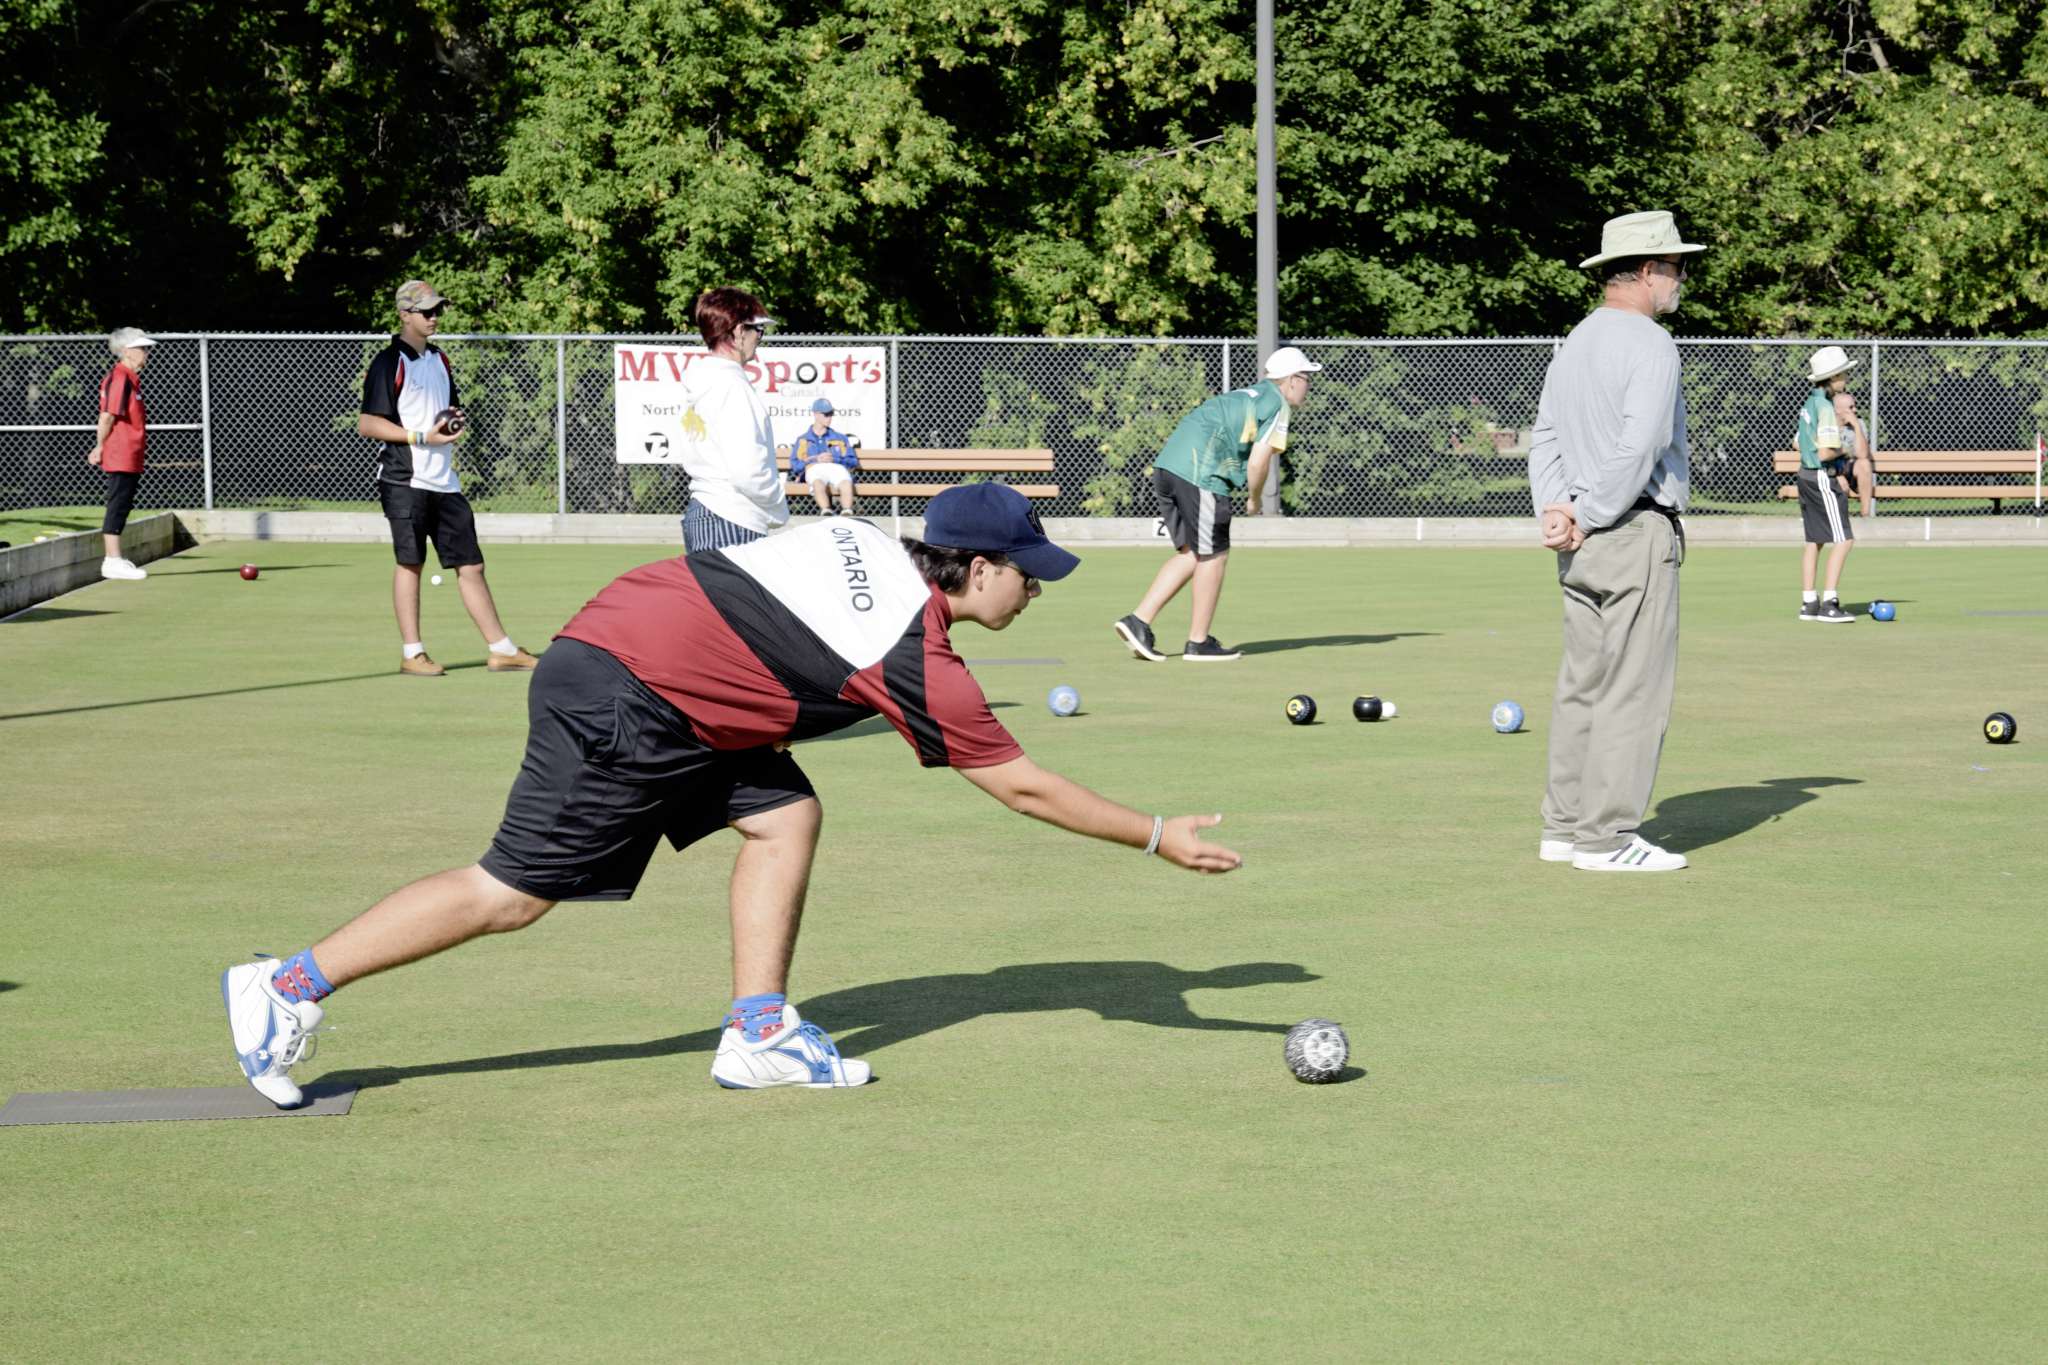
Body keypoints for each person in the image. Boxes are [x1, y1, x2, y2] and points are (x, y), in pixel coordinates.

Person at [220, 483, 1243, 1106]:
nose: (1034, 589)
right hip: (631, 692)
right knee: (511, 894)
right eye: (1028, 574)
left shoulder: (868, 545)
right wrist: (1155, 836)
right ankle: (287, 987)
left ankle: (757, 1033)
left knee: (785, 814)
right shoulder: (912, 650)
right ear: (974, 570)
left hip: (660, 670)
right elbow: (1021, 789)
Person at [1528, 210, 1704, 874]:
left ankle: (1564, 826)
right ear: (1649, 271)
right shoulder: (1652, 343)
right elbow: (1642, 445)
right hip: (1628, 529)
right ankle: (1605, 838)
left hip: (1580, 539)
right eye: (1676, 268)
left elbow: (1544, 435)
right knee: (1632, 686)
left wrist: (1557, 510)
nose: (1680, 280)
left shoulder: (1575, 339)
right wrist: (1592, 510)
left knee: (1583, 681)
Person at [358, 280, 538, 677]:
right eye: (426, 311)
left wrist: (453, 424)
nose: (434, 316)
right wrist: (421, 436)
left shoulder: (440, 360)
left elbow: (449, 410)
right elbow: (368, 423)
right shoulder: (390, 362)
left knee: (471, 565)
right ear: (405, 315)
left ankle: (502, 649)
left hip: (446, 482)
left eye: (437, 309)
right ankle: (412, 653)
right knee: (411, 564)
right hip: (406, 479)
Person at [1112, 345, 1322, 663]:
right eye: (1307, 378)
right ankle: (1198, 642)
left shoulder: (1250, 393)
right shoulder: (1278, 404)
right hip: (1202, 473)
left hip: (1168, 466)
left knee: (1193, 553)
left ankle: (1137, 621)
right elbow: (1258, 462)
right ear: (1291, 379)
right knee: (1215, 555)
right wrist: (1255, 499)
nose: (1309, 385)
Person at [679, 287, 789, 551]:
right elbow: (747, 471)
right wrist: (778, 496)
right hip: (733, 520)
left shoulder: (704, 381)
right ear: (739, 332)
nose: (760, 338)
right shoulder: (731, 385)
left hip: (709, 513)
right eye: (757, 330)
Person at [1792, 346, 1862, 623]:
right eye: (1843, 374)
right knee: (1844, 539)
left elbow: (1797, 442)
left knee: (1815, 540)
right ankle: (1829, 603)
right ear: (1834, 378)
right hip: (1822, 476)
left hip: (1805, 475)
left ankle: (1809, 602)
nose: (1845, 378)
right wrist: (1844, 453)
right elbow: (1825, 453)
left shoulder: (1809, 403)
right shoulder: (1826, 408)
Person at [87, 328, 157, 581]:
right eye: (142, 348)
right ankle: (112, 560)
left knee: (124, 503)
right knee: (118, 503)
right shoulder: (121, 378)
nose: (147, 353)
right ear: (127, 351)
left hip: (130, 452)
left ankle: (115, 558)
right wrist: (100, 446)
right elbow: (107, 416)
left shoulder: (130, 378)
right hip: (120, 452)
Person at [788, 397, 859, 515]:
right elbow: (795, 465)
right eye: (826, 414)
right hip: (814, 469)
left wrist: (834, 459)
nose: (830, 417)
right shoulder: (803, 440)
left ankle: (847, 512)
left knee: (846, 482)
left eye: (831, 414)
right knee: (817, 483)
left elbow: (853, 461)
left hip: (836, 468)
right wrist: (815, 460)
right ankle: (826, 512)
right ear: (816, 414)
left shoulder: (840, 438)